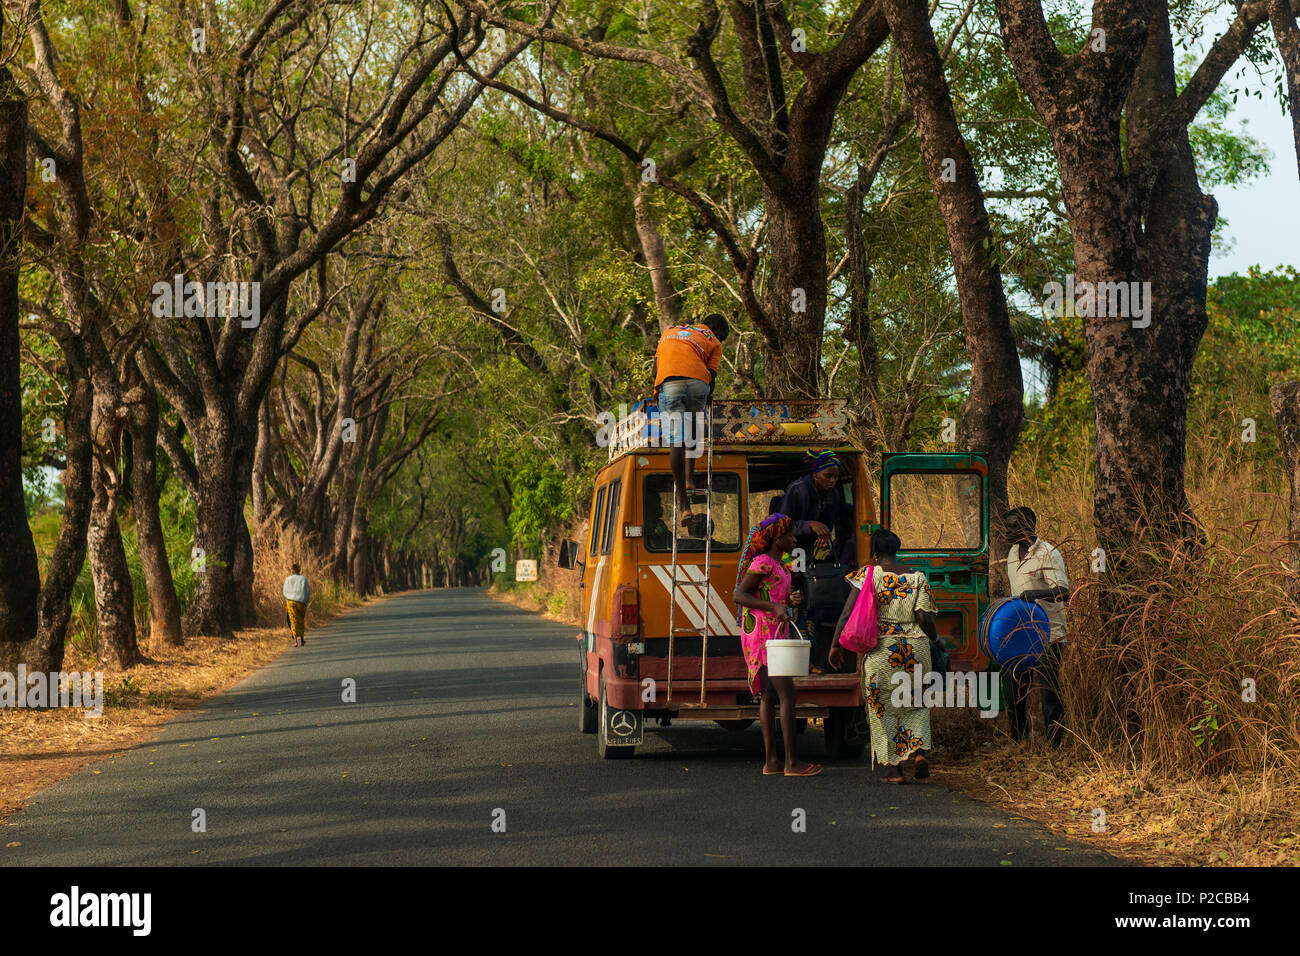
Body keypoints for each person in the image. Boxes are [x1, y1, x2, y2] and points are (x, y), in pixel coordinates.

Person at [829, 529, 938, 783]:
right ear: (896, 549)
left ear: (875, 554)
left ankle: (895, 770)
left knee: (882, 708)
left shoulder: (868, 574)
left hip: (881, 650)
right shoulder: (918, 577)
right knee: (916, 702)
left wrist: (835, 645)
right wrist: (935, 640)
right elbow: (924, 617)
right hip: (916, 649)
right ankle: (919, 753)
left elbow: (846, 615)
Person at [732, 514, 822, 777]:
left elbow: (770, 594)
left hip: (774, 633)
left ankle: (772, 761)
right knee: (787, 694)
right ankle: (792, 763)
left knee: (769, 696)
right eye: (791, 534)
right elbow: (740, 594)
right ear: (776, 538)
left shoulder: (779, 565)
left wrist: (788, 601)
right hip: (762, 636)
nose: (795, 538)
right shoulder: (763, 562)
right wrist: (773, 606)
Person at [651, 313, 729, 532]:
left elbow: (657, 368)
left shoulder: (670, 331)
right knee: (694, 429)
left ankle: (684, 506)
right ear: (714, 327)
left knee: (676, 441)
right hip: (697, 383)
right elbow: (711, 377)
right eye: (721, 335)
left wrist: (658, 391)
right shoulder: (712, 339)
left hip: (671, 383)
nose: (719, 339)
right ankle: (690, 479)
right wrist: (706, 398)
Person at [779, 450, 855, 672]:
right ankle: (797, 660)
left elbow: (829, 524)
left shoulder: (833, 495)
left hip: (807, 554)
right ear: (815, 474)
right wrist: (808, 525)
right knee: (793, 600)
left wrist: (823, 536)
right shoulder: (797, 490)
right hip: (789, 553)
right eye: (828, 476)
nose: (832, 481)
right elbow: (780, 524)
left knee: (809, 603)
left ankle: (807, 658)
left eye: (835, 477)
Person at [1002, 506, 1070, 746]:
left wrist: (1036, 593)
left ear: (1028, 527)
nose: (1007, 532)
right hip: (1022, 635)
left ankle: (1055, 746)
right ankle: (1020, 742)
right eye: (1007, 526)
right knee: (1014, 693)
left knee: (1048, 693)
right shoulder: (1012, 552)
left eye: (1013, 527)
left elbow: (1063, 591)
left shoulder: (1048, 553)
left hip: (1049, 635)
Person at [283, 563, 311, 647]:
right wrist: (305, 601)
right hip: (301, 602)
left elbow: (284, 591)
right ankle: (302, 639)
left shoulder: (288, 579)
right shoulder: (304, 579)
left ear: (291, 570)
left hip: (291, 602)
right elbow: (307, 591)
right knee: (301, 620)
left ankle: (295, 640)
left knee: (293, 620)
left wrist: (288, 599)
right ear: (299, 569)